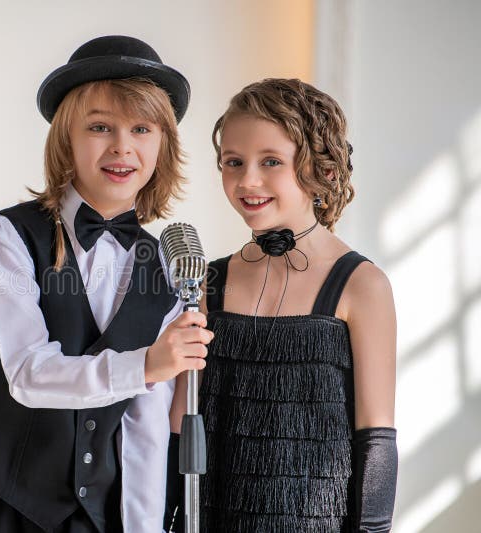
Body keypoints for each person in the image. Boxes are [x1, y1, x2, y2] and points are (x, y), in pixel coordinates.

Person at [0, 35, 213, 533]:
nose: (122, 146)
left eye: (141, 129)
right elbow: (28, 372)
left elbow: (145, 426)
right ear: (66, 138)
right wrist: (145, 365)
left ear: (163, 145)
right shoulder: (8, 237)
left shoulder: (169, 264)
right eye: (100, 127)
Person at [165, 78, 398, 532]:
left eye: (270, 161)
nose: (247, 180)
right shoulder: (207, 281)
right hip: (216, 515)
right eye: (233, 162)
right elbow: (180, 419)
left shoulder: (361, 285)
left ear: (322, 169)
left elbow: (376, 440)